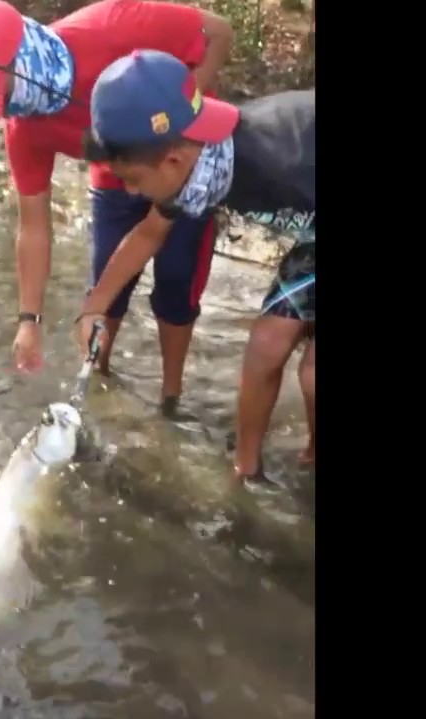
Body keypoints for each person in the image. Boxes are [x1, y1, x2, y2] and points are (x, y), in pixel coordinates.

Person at [0, 0, 234, 416]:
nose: (6, 110)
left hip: (181, 167)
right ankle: (96, 390)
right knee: (104, 291)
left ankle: (171, 400)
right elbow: (33, 227)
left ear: (23, 63)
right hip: (113, 179)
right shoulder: (23, 126)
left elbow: (219, 31)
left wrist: (180, 124)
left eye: (2, 95)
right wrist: (30, 320)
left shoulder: (113, 24)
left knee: (176, 284)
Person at [73, 49, 315, 482]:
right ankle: (247, 472)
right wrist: (94, 307)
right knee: (265, 346)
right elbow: (148, 234)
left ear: (173, 161)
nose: (128, 192)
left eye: (132, 179)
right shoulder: (200, 159)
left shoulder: (280, 160)